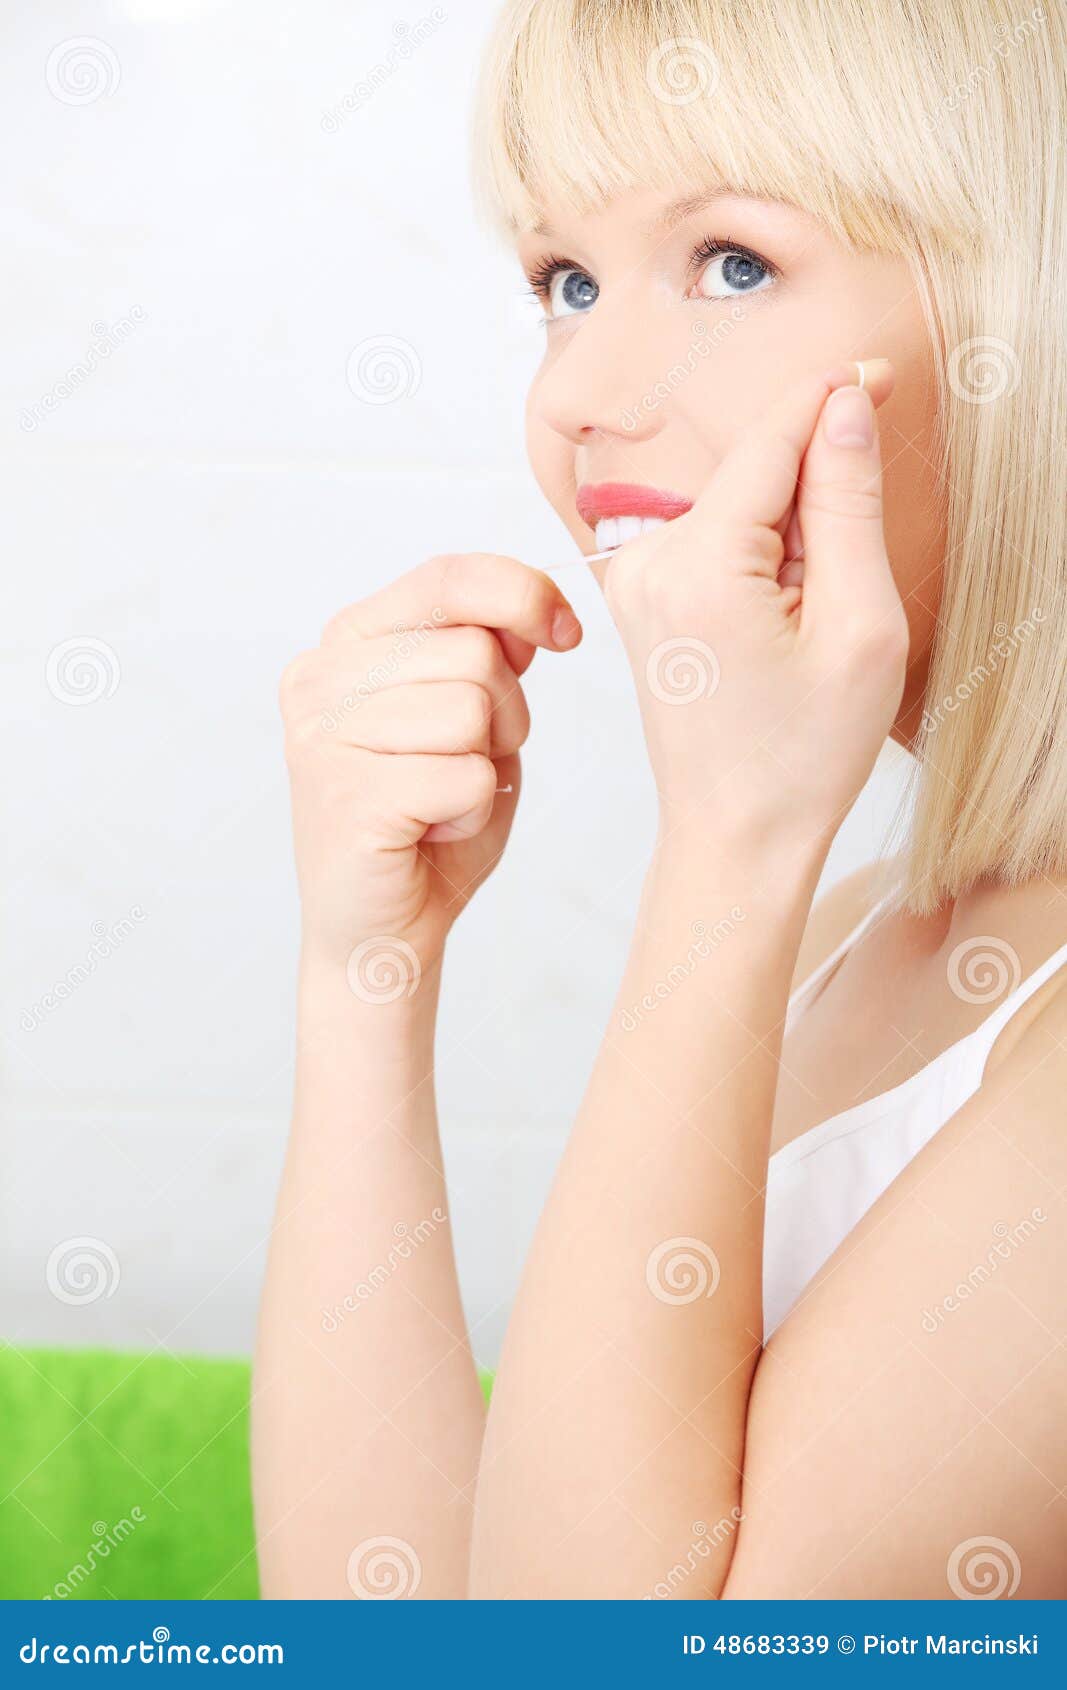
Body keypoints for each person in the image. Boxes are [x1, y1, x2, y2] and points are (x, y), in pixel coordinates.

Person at [253, 0, 1067, 1598]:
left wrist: (731, 842)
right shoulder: (854, 937)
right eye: (567, 281)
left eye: (733, 263)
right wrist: (366, 978)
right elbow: (416, 1634)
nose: (583, 394)